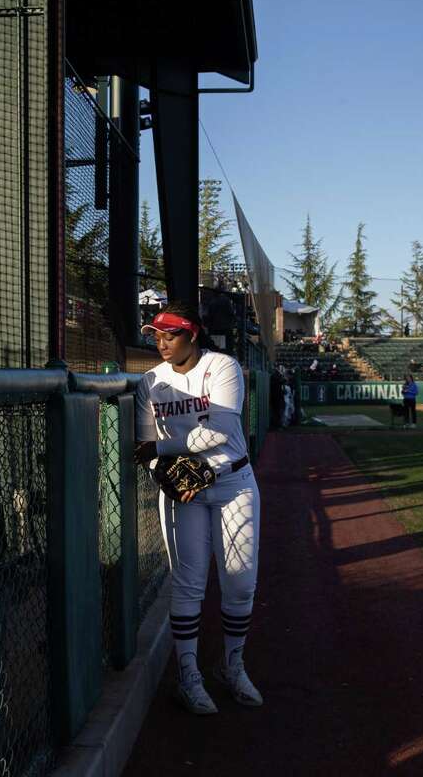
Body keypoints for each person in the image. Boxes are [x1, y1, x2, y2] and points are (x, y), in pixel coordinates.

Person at [135, 302, 264, 713]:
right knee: (188, 585)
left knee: (240, 583)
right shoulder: (149, 381)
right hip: (183, 492)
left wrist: (162, 448)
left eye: (170, 334)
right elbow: (144, 446)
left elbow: (223, 431)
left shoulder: (222, 367)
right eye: (156, 334)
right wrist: (162, 471)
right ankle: (189, 674)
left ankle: (233, 664)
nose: (162, 342)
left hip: (233, 483)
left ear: (193, 334)